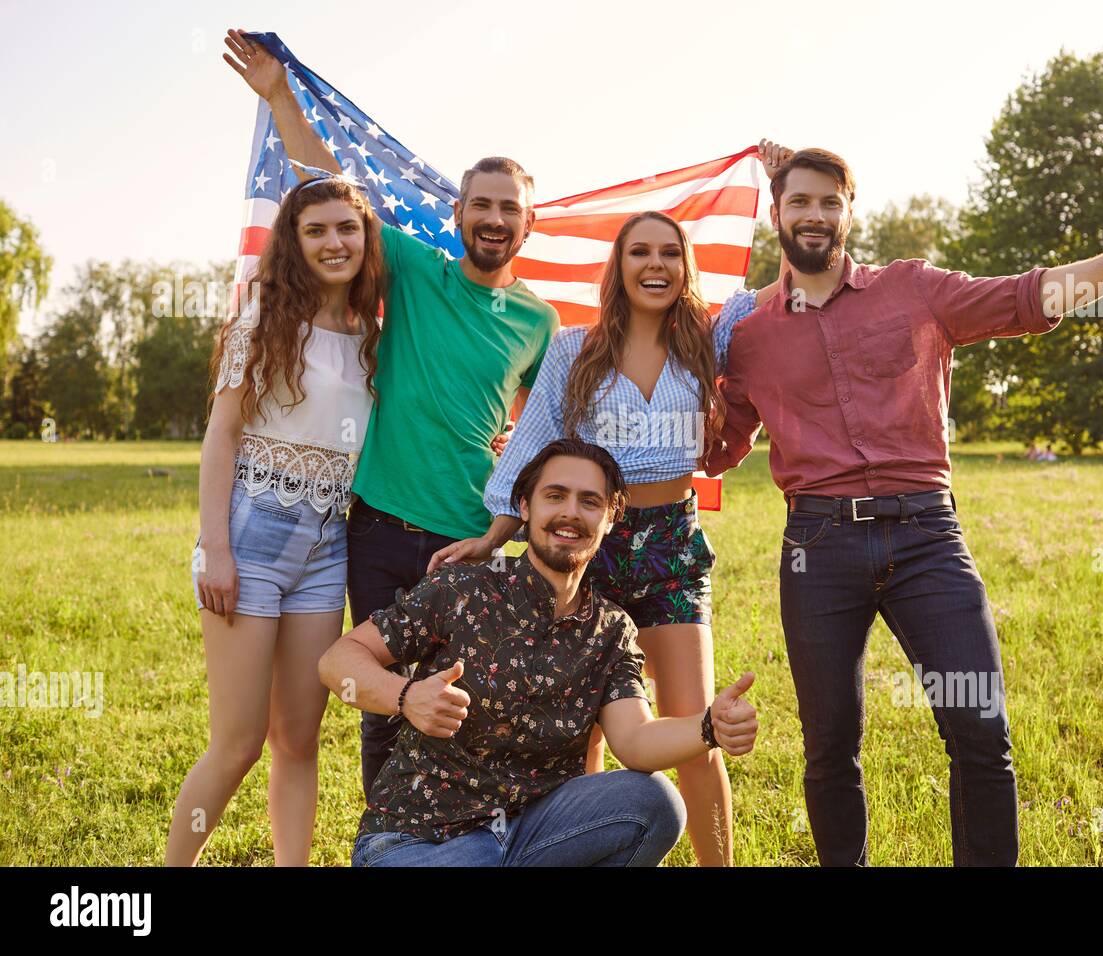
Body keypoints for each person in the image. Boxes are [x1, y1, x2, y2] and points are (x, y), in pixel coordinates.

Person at [704, 147, 1103, 866]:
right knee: (828, 745)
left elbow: (1029, 297)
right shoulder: (748, 334)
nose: (814, 215)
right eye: (799, 202)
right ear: (777, 215)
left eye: (829, 202)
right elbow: (719, 446)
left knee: (980, 729)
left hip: (926, 536)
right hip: (818, 546)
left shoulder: (915, 290)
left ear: (850, 212)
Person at [426, 141, 786, 865]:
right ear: (618, 267)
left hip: (672, 547)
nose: (655, 265)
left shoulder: (706, 342)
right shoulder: (573, 348)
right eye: (639, 252)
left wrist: (781, 192)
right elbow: (532, 445)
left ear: (684, 267)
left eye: (669, 253)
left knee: (694, 726)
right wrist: (494, 536)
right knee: (581, 731)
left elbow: (791, 289)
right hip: (583, 548)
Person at [223, 29, 559, 801]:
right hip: (373, 529)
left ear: (528, 224)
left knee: (461, 702)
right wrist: (279, 96)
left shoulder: (538, 324)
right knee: (381, 700)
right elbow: (326, 182)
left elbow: (538, 444)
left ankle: (459, 834)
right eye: (481, 204)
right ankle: (386, 840)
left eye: (510, 208)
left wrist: (497, 536)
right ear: (458, 212)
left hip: (466, 538)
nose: (494, 218)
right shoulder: (411, 267)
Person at [319, 438, 759, 866]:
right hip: (424, 839)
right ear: (525, 508)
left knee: (655, 803)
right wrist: (405, 697)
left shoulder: (611, 630)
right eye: (555, 496)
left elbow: (634, 740)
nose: (570, 512)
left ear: (611, 518)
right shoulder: (463, 588)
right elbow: (338, 659)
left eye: (590, 502)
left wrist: (708, 727)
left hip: (537, 836)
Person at [166, 174, 384, 866]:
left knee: (298, 738)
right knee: (237, 741)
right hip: (250, 536)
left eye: (345, 228)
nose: (333, 242)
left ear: (364, 237)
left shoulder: (374, 332)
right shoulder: (262, 318)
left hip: (327, 545)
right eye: (315, 230)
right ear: (293, 240)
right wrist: (216, 549)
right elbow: (221, 436)